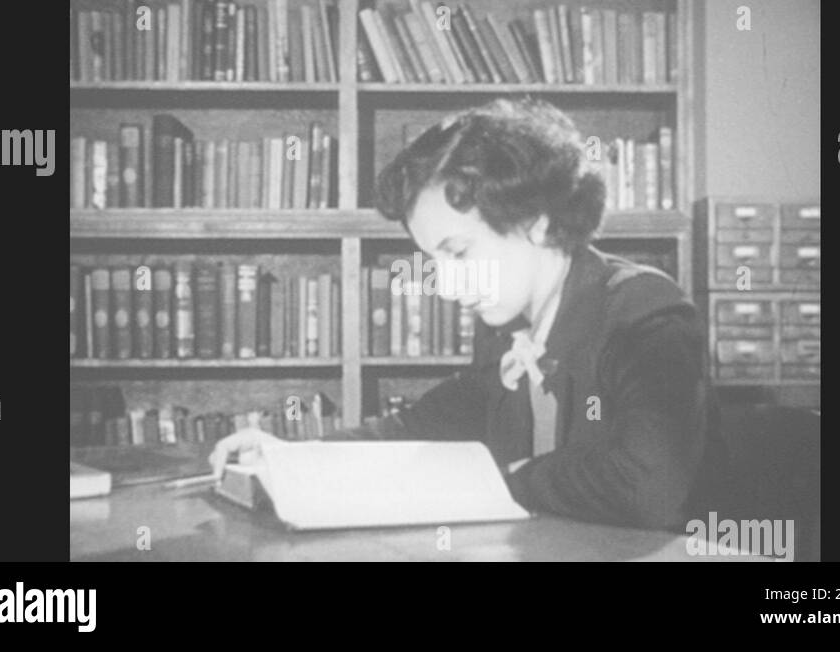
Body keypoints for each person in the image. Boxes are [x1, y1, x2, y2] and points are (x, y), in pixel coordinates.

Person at [211, 97, 731, 532]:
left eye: (457, 253)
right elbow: (423, 424)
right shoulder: (505, 325)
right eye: (433, 261)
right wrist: (294, 454)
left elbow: (649, 485)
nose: (447, 284)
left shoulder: (643, 312)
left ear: (539, 224)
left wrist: (503, 478)